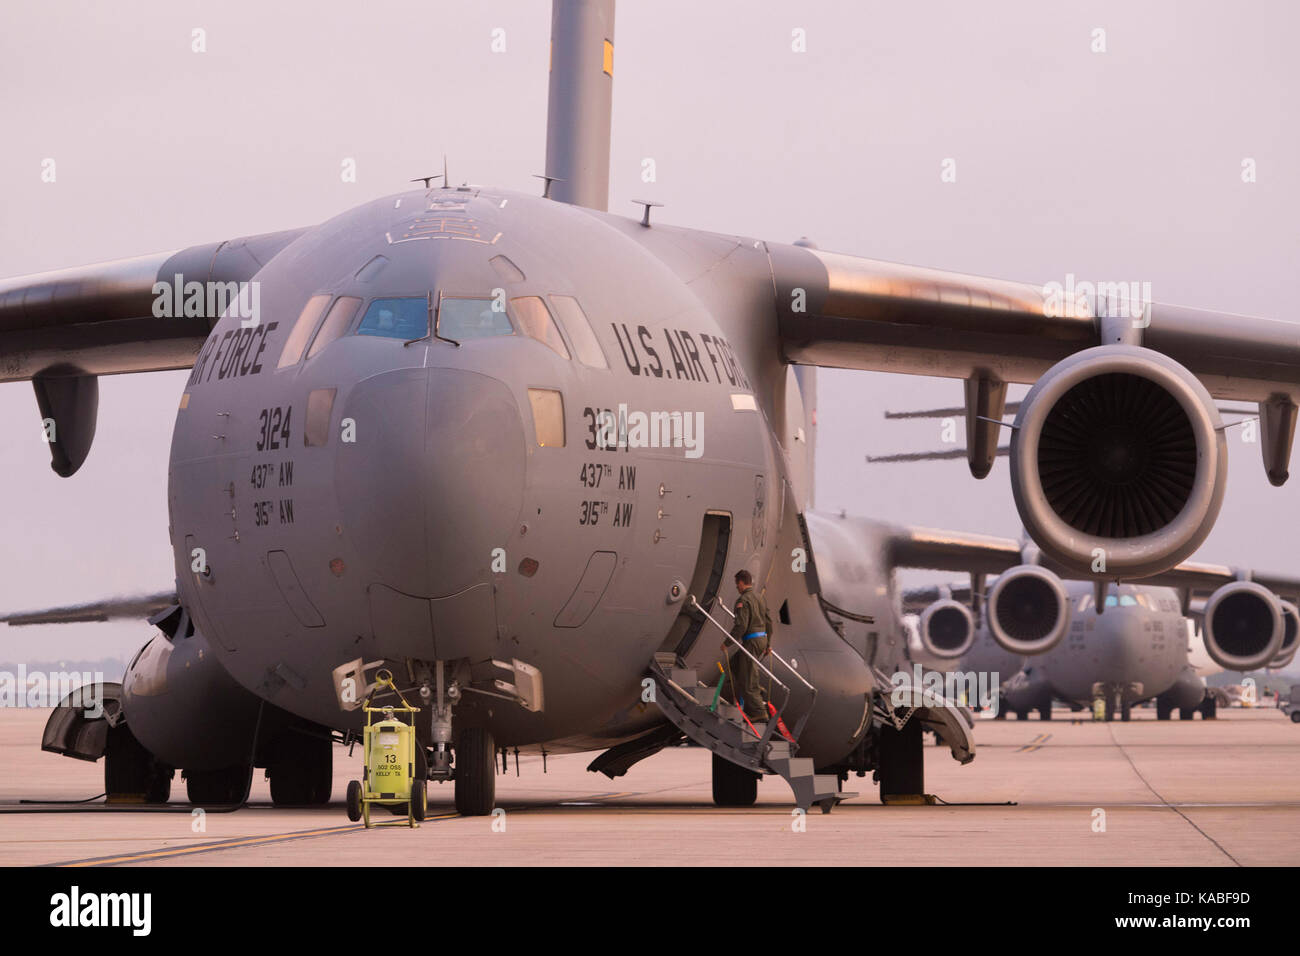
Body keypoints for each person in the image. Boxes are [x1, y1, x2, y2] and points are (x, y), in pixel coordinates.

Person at [724, 569, 772, 729]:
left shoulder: (743, 600)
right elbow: (769, 622)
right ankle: (757, 691)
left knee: (748, 677)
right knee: (736, 663)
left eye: (737, 583)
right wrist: (769, 644)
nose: (736, 587)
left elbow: (741, 626)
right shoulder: (760, 598)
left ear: (742, 582)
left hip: (751, 641)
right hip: (762, 639)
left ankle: (759, 712)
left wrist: (727, 642)